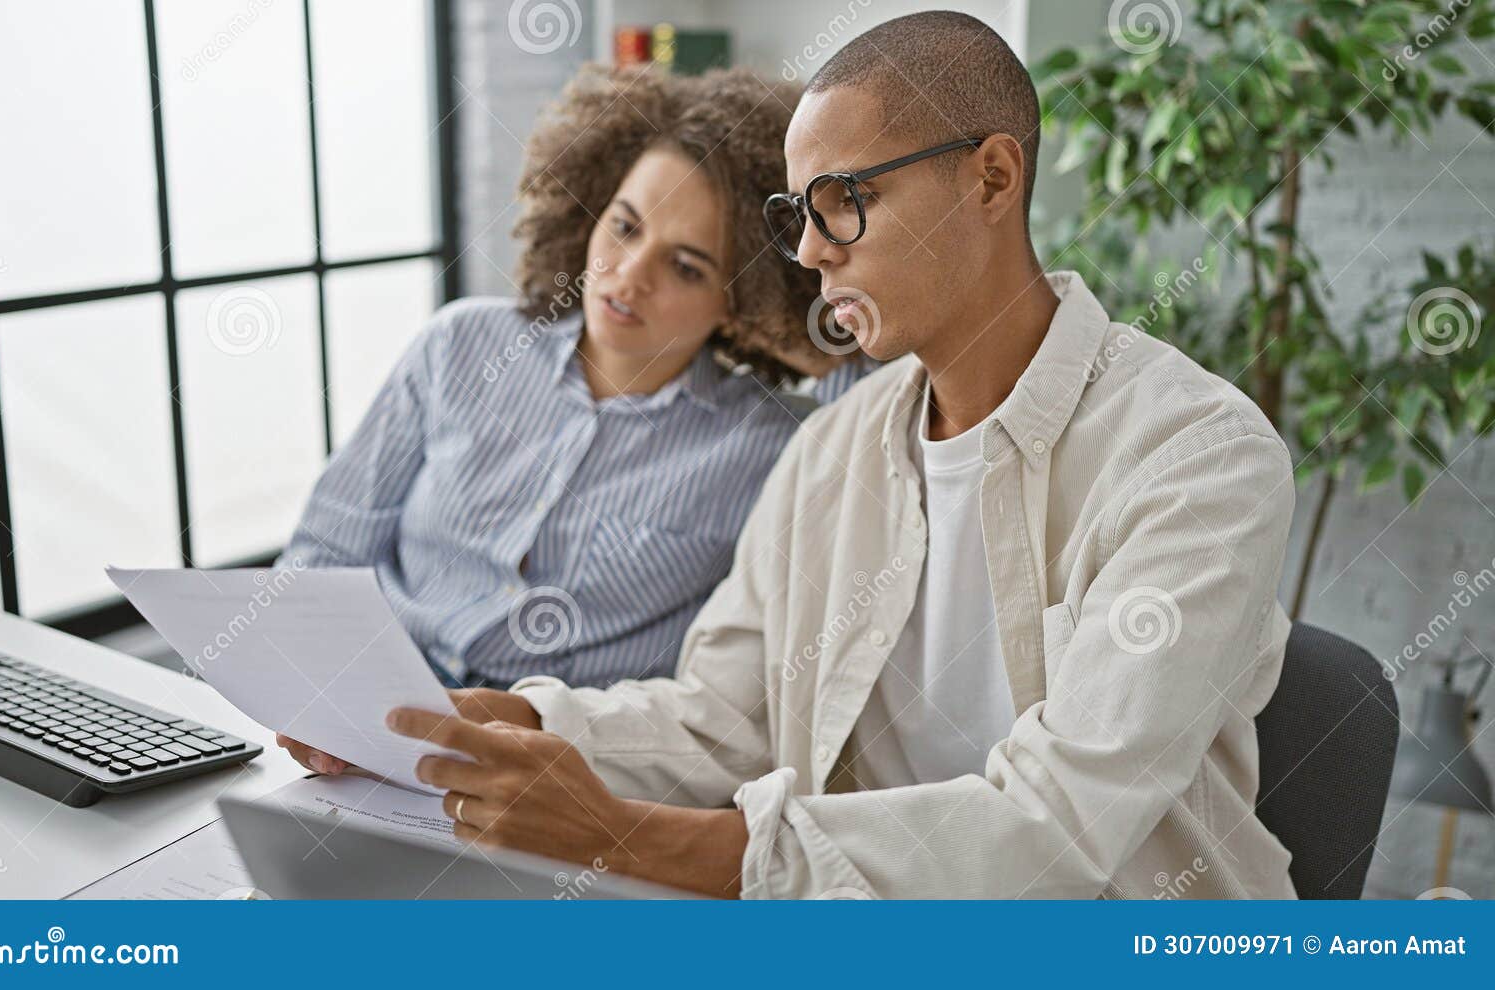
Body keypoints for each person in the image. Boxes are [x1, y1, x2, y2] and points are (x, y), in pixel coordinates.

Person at [376, 12, 1299, 900]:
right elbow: (726, 719)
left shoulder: (1195, 456)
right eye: (798, 213)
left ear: (991, 179)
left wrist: (624, 839)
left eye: (846, 200)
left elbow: (1056, 830)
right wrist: (525, 724)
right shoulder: (830, 452)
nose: (812, 251)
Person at [273, 65, 873, 775]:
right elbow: (322, 556)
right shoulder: (460, 346)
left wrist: (802, 328)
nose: (628, 274)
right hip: (360, 739)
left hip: (561, 782)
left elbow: (885, 426)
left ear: (740, 295)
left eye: (684, 266)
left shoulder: (773, 444)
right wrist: (324, 695)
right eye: (623, 227)